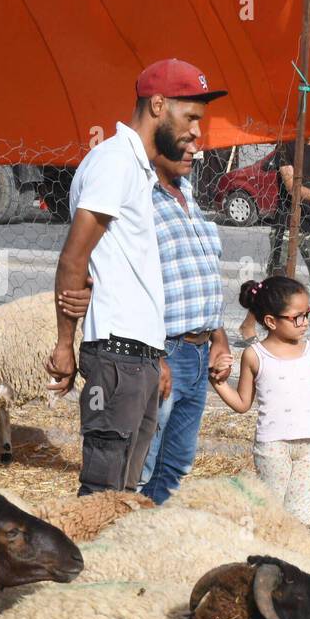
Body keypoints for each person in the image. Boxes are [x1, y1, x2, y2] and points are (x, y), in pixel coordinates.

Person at [46, 58, 227, 496]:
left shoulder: (139, 169)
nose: (197, 132)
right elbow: (74, 259)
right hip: (115, 358)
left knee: (127, 492)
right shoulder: (114, 163)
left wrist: (153, 355)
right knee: (103, 492)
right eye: (191, 118)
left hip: (137, 358)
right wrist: (65, 344)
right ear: (159, 105)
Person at [210, 276, 310, 525]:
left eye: (307, 314)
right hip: (272, 448)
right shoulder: (255, 355)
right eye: (297, 317)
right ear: (271, 321)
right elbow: (242, 403)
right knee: (271, 516)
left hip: (309, 447)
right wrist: (218, 383)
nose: (305, 323)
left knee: (300, 519)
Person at [237, 136, 310, 353]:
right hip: (287, 221)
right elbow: (291, 186)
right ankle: (248, 325)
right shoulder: (286, 145)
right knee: (276, 283)